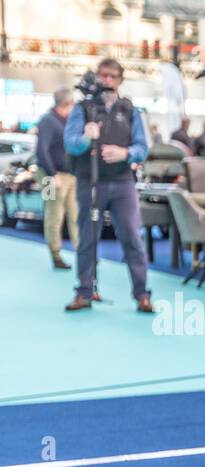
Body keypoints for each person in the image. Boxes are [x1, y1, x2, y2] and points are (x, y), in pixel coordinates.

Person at [63, 58, 152, 313]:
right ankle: (84, 291)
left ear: (120, 80)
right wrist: (85, 138)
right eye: (104, 76)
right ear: (98, 77)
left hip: (123, 183)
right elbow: (70, 143)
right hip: (90, 183)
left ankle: (142, 294)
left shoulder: (130, 110)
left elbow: (142, 148)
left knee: (132, 239)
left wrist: (126, 153)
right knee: (87, 240)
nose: (108, 81)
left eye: (113, 76)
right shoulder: (83, 109)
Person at [36, 88, 79, 270]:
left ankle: (83, 252)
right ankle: (55, 255)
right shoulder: (47, 120)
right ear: (66, 104)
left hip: (69, 175)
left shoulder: (67, 121)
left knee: (75, 215)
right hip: (49, 176)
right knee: (53, 216)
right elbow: (42, 150)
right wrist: (52, 174)